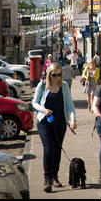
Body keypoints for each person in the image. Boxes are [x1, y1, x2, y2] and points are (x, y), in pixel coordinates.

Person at [32, 62, 77, 192]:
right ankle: (47, 179)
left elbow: (70, 105)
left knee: (57, 149)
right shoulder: (42, 86)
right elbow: (34, 102)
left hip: (60, 122)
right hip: (45, 122)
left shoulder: (63, 87)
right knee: (49, 148)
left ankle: (55, 176)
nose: (56, 77)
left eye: (59, 74)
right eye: (54, 75)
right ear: (49, 74)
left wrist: (73, 119)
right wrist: (43, 109)